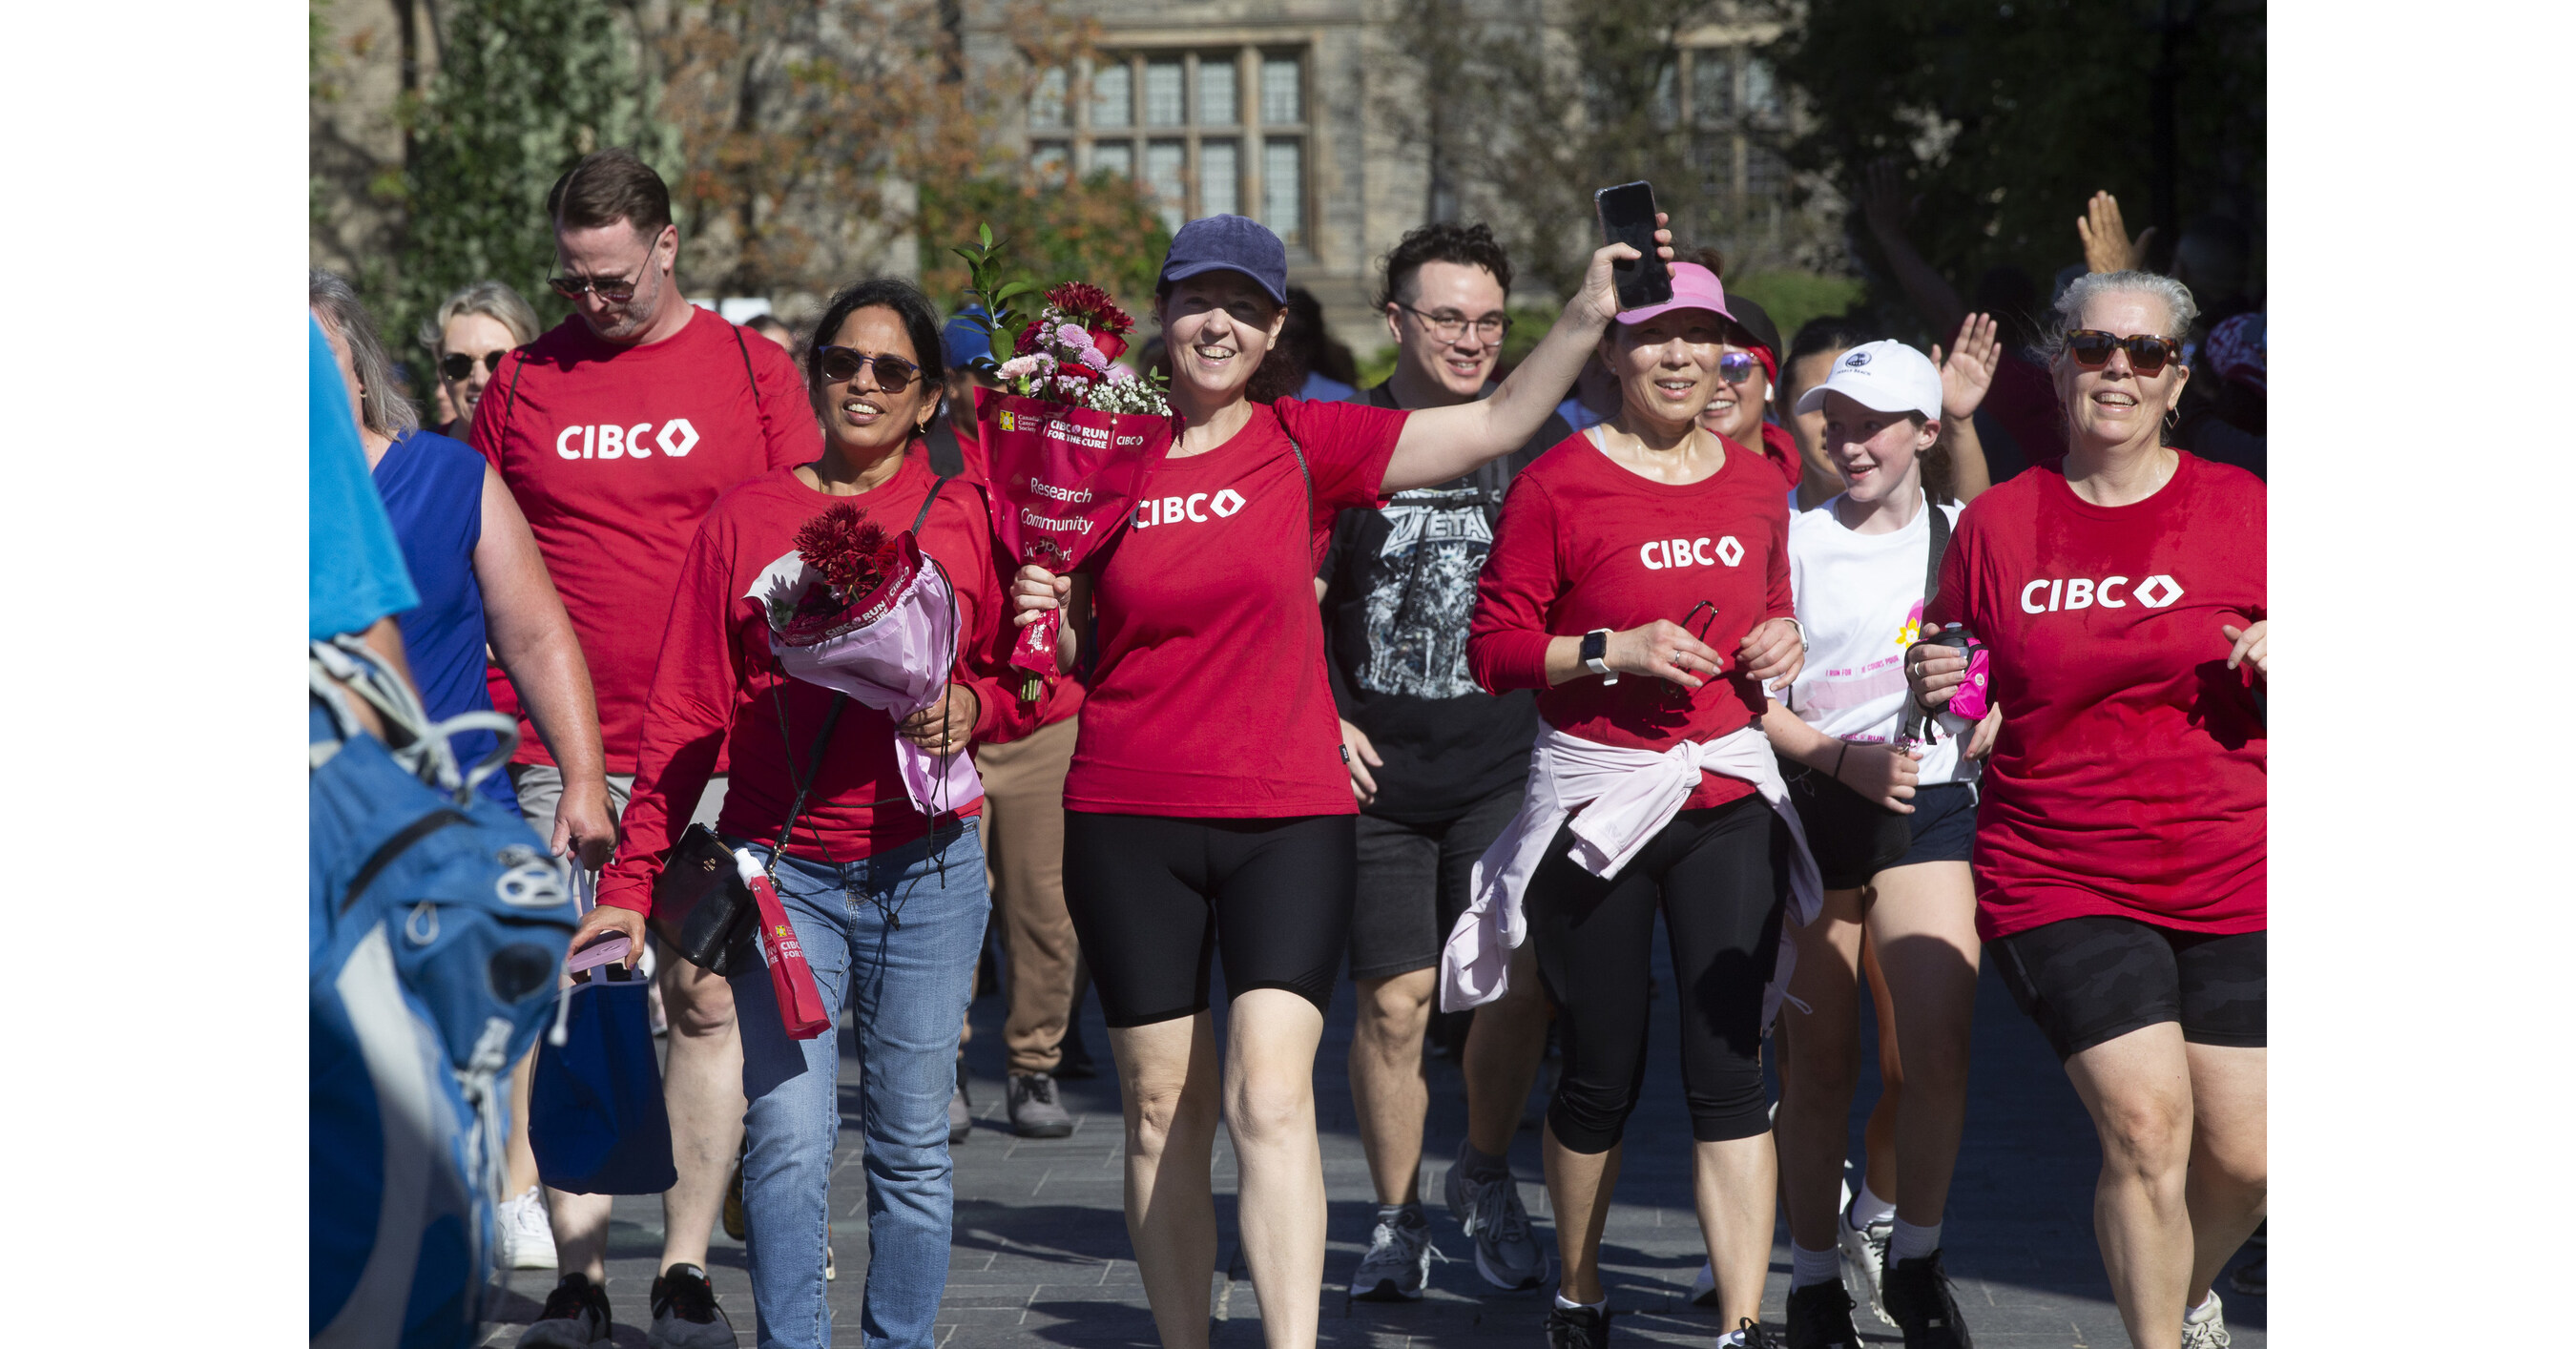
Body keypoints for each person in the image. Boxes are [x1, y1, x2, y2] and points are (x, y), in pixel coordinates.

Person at [1008, 211, 1672, 1349]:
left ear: (1276, 332)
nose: (1219, 325)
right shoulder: (1099, 454)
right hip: (1129, 811)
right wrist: (1045, 611)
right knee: (1161, 1106)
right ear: (1164, 313)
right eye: (1199, 301)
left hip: (1285, 815)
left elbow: (1498, 420)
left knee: (1270, 1095)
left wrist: (1587, 312)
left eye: (1246, 308)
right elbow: (1078, 647)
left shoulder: (1311, 441)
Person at [584, 276, 1029, 1349]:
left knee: (910, 1147)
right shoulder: (745, 518)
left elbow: (1028, 673)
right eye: (841, 362)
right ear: (814, 375)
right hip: (785, 879)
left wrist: (977, 705)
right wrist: (630, 886)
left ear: (930, 398)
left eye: (892, 370)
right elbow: (686, 712)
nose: (863, 384)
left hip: (929, 870)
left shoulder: (968, 513)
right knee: (786, 1139)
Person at [468, 147, 821, 1349]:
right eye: (571, 280)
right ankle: (579, 1277)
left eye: (612, 279)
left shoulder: (752, 371)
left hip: (715, 751)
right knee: (578, 1002)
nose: (591, 301)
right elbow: (479, 553)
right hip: (559, 745)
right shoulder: (522, 382)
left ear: (668, 247)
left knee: (704, 999)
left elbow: (808, 538)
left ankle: (681, 1267)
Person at [1446, 259, 1811, 1349]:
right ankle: (1579, 1292)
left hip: (1723, 789)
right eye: (1655, 334)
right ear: (1611, 351)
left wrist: (1783, 640)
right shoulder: (1556, 482)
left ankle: (1743, 1323)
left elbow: (1774, 606)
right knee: (1602, 1067)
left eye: (1701, 335)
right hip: (1596, 800)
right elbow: (1494, 649)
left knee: (1730, 1068)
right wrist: (1614, 649)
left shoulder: (1757, 479)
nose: (1680, 356)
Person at [1905, 270, 2265, 1349]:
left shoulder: (2249, 508)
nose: (2118, 370)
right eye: (2095, 348)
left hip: (2233, 863)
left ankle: (2180, 1296)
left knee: (2250, 1159)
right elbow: (1961, 663)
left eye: (2144, 353)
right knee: (2148, 1127)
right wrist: (1947, 687)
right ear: (2059, 366)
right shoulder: (2000, 523)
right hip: (2058, 864)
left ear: (2177, 381)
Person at [310, 268, 616, 1274]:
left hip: (442, 835)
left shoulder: (449, 479)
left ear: (359, 369)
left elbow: (534, 633)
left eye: (314, 354)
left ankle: (478, 1210)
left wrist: (581, 778)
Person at [1321, 221, 1564, 1300]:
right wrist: (1323, 718)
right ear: (1396, 321)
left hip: (1502, 764)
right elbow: (1285, 597)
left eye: (1490, 322)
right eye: (1448, 318)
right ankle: (1395, 1218)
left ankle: (1486, 1169)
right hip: (1375, 774)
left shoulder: (1537, 441)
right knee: (1394, 1004)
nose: (1472, 340)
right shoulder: (1344, 437)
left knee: (1512, 988)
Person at [1761, 340, 1999, 1349]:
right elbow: (1747, 702)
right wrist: (1836, 759)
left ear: (1925, 432)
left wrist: (1987, 702)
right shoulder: (1789, 539)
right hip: (1811, 810)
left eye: (1874, 426)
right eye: (1837, 424)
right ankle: (1814, 1282)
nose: (1849, 444)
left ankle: (1914, 1257)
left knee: (1935, 1049)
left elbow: (1999, 656)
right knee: (1819, 1068)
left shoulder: (1963, 533)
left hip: (1928, 804)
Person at [937, 308, 1089, 1140]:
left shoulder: (1063, 458)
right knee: (951, 908)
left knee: (1043, 909)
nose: (998, 392)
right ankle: (947, 1067)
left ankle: (1035, 1066)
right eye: (982, 376)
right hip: (950, 722)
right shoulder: (927, 460)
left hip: (1042, 717)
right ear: (951, 382)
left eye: (1013, 378)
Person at [426, 280, 543, 440]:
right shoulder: (419, 453)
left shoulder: (558, 448)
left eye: (498, 362)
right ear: (443, 374)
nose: (479, 380)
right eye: (458, 364)